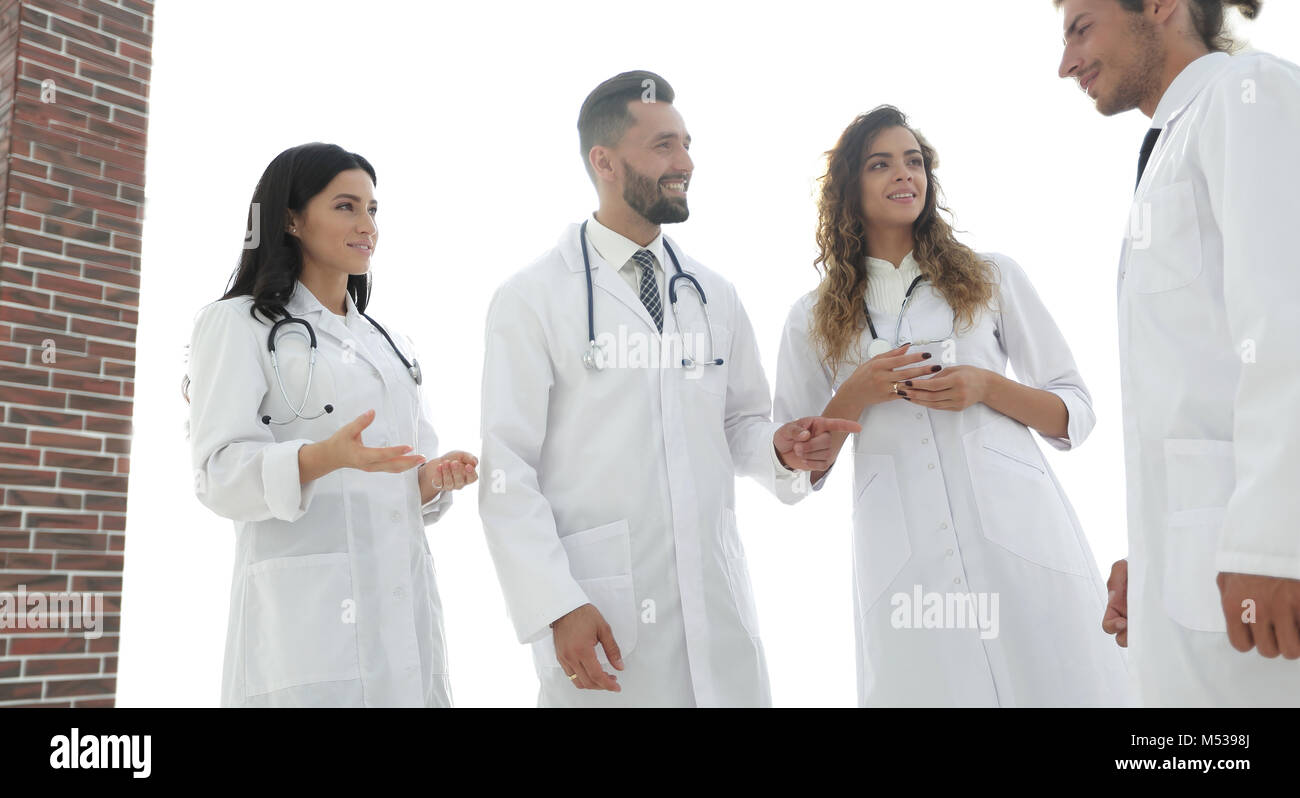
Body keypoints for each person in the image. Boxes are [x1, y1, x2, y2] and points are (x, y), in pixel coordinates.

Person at [477, 70, 858, 707]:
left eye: (686, 143)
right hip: (602, 614)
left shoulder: (713, 293)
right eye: (662, 146)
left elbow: (741, 425)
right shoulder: (531, 298)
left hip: (715, 607)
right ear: (604, 161)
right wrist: (555, 603)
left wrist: (781, 449)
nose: (685, 162)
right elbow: (507, 469)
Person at [773, 106, 1132, 706]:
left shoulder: (992, 278)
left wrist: (988, 389)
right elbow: (798, 465)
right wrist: (857, 392)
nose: (903, 175)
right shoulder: (810, 318)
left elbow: (1076, 410)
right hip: (905, 563)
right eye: (881, 164)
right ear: (848, 189)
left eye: (914, 162)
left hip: (1019, 541)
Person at [1056, 0, 1300, 705]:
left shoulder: (1248, 96)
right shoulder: (1172, 149)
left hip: (1263, 579)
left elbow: (1286, 324)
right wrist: (1157, 545)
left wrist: (1275, 543)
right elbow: (1190, 390)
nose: (1066, 62)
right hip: (1201, 580)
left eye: (1079, 28)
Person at [186, 143, 478, 707]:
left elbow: (398, 479)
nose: (367, 224)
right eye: (346, 206)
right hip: (305, 631)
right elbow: (217, 475)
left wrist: (433, 478)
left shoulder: (387, 344)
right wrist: (322, 456)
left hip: (402, 619)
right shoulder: (237, 325)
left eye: (373, 209)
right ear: (292, 218)